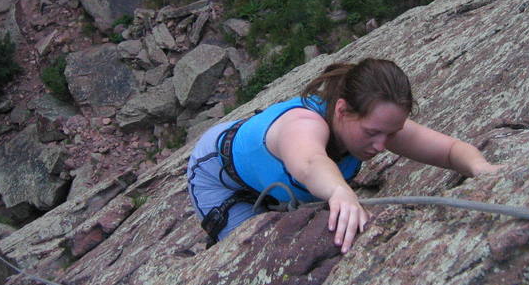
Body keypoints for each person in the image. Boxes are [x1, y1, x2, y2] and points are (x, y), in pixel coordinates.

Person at [187, 58, 502, 253]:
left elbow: (449, 150)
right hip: (219, 177)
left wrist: (480, 167)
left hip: (264, 173)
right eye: (372, 133)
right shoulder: (302, 126)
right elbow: (310, 161)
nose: (381, 146)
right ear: (342, 110)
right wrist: (340, 191)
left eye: (390, 134)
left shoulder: (376, 123)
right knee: (254, 255)